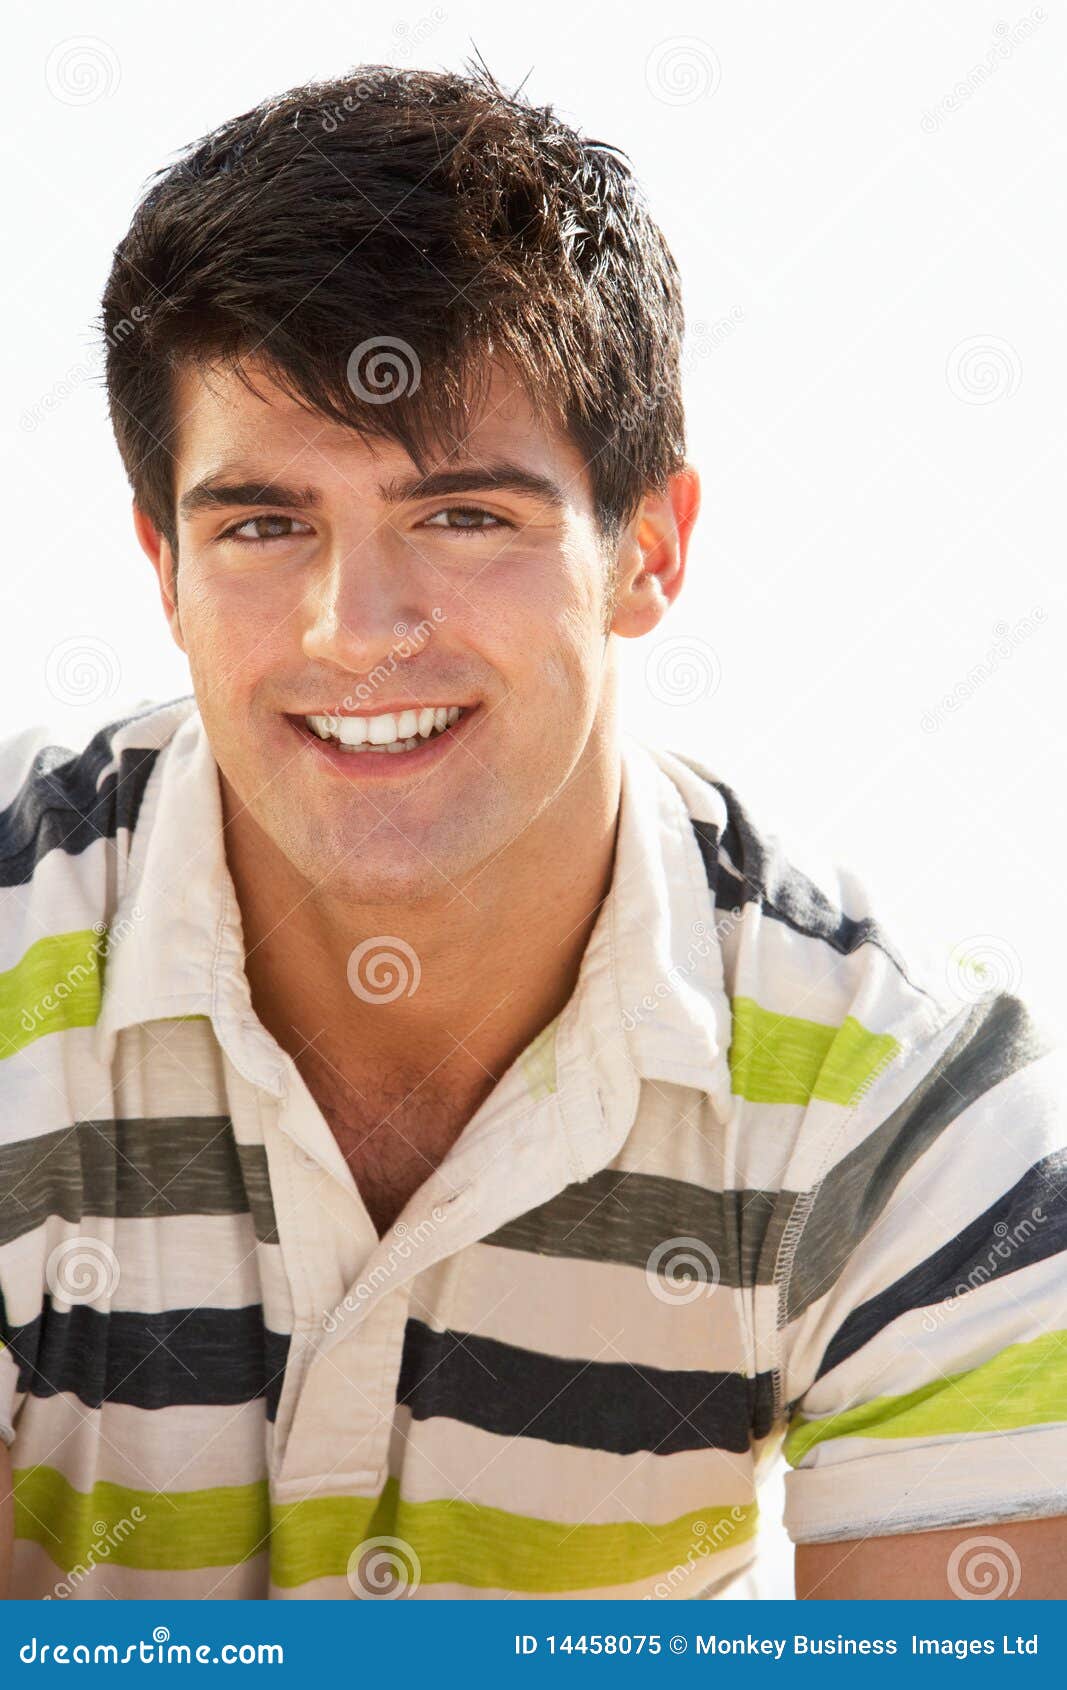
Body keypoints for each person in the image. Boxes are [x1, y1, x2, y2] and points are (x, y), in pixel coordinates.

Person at [0, 61, 1063, 1603]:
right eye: (263, 523)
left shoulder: (927, 1130)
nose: (355, 631)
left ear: (651, 548)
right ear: (162, 561)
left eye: (463, 515)